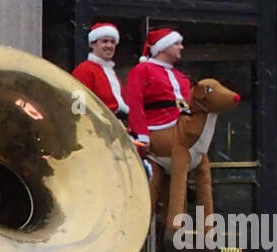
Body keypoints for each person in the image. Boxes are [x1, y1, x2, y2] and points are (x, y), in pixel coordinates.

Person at [123, 28, 190, 156]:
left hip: (181, 130)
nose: (181, 47)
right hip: (156, 129)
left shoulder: (181, 77)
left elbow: (186, 104)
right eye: (176, 44)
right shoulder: (142, 70)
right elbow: (134, 104)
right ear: (162, 47)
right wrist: (141, 134)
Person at [71, 22, 130, 120]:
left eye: (112, 42)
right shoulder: (84, 70)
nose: (109, 45)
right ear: (92, 44)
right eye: (105, 41)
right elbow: (77, 107)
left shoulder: (112, 73)